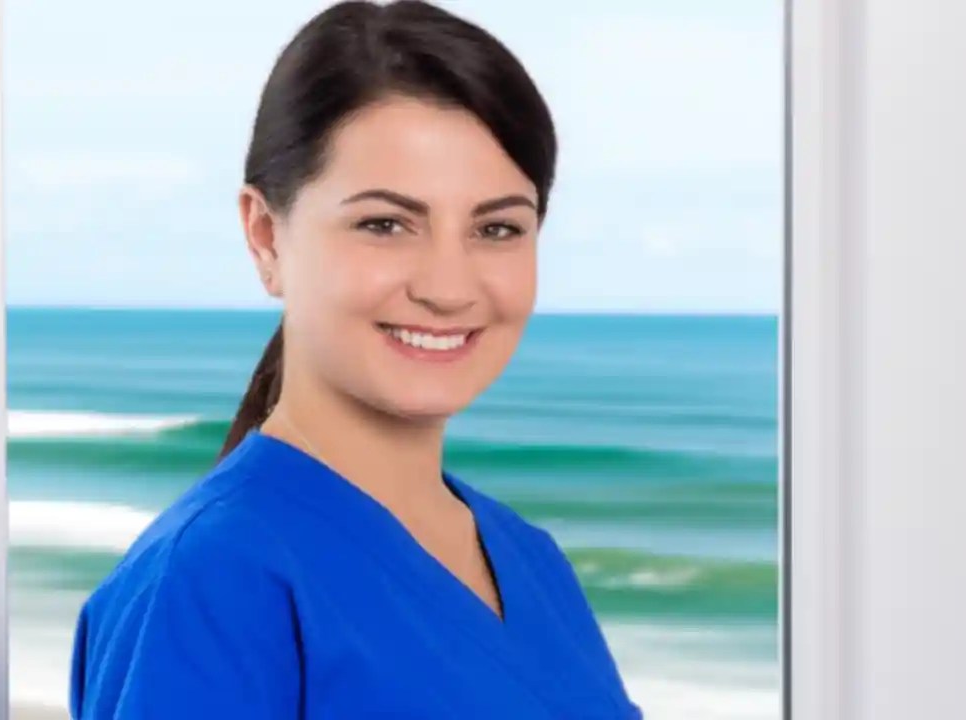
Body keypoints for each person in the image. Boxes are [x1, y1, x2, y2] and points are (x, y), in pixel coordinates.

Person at [68, 1, 644, 717]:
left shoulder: (534, 562)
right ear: (265, 236)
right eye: (385, 224)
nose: (447, 287)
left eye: (497, 228)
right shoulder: (209, 580)